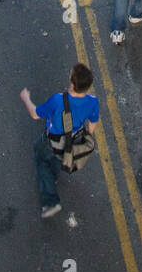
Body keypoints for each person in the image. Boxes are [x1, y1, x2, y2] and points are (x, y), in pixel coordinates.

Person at [19, 64, 99, 218]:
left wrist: (26, 98)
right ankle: (53, 177)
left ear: (72, 82)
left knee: (41, 159)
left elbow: (35, 114)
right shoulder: (92, 102)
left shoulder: (58, 101)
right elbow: (92, 124)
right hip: (71, 143)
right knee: (58, 160)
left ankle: (50, 201)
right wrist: (85, 136)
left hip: (51, 141)